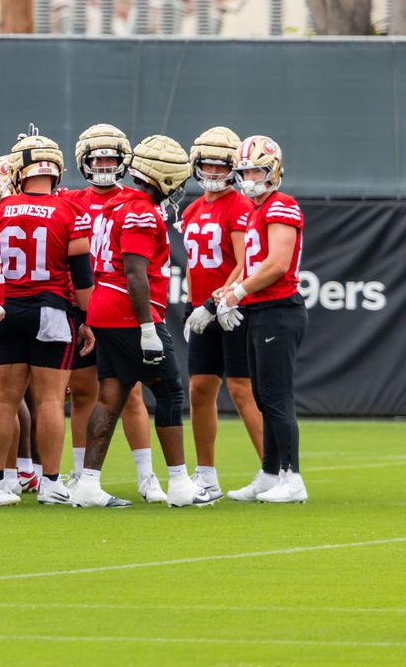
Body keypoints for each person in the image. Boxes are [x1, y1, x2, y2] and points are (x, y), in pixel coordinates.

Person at [70, 136, 198, 508]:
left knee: (111, 396)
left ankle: (88, 484)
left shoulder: (118, 204)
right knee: (171, 391)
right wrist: (147, 328)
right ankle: (179, 483)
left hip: (105, 308)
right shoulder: (140, 211)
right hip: (128, 312)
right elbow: (135, 273)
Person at [0, 132, 84, 505]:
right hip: (50, 309)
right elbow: (83, 277)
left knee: (4, 401)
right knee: (51, 402)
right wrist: (86, 319)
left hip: (6, 310)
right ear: (55, 170)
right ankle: (51, 482)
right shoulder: (68, 211)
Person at [67, 124, 162, 500]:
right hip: (82, 308)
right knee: (84, 393)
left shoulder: (134, 202)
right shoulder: (71, 200)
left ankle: (146, 475)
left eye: (110, 158)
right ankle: (80, 474)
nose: (104, 164)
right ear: (84, 162)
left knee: (131, 394)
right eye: (98, 158)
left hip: (117, 308)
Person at [217, 135, 309, 503]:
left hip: (280, 310)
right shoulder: (257, 210)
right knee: (262, 394)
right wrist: (228, 291)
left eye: (257, 169)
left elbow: (277, 264)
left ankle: (293, 476)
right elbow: (252, 264)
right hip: (261, 310)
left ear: (273, 170)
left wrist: (239, 292)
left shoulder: (281, 205)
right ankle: (271, 474)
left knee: (276, 396)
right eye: (246, 171)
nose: (251, 177)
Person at [178, 126, 260, 504]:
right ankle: (207, 474)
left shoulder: (240, 206)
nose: (211, 173)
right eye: (206, 166)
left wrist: (219, 300)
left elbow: (247, 262)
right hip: (204, 313)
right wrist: (197, 307)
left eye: (219, 166)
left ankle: (273, 469)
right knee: (199, 390)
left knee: (242, 390)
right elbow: (195, 267)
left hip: (233, 311)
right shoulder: (193, 209)